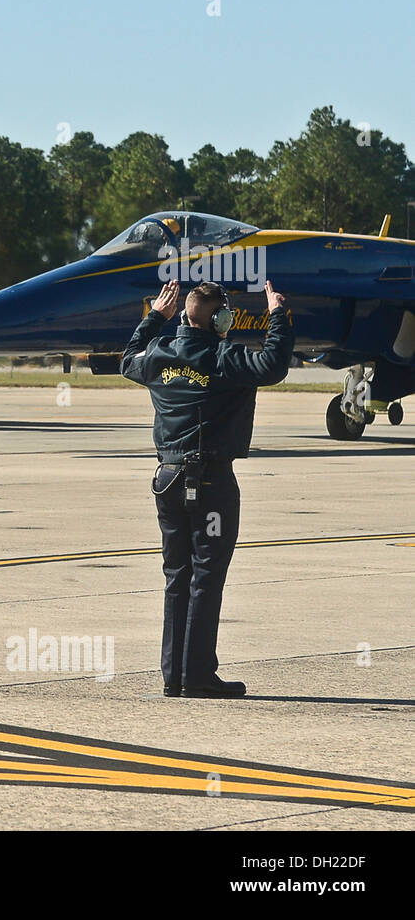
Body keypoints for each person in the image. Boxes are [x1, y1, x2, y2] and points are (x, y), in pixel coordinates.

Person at [121, 278, 294, 698]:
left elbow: (127, 359)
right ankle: (197, 675)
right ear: (219, 319)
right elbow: (273, 365)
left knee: (177, 575)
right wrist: (278, 316)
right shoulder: (224, 357)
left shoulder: (159, 354)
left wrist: (154, 319)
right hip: (211, 482)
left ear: (183, 315)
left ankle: (174, 675)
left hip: (168, 479)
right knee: (206, 576)